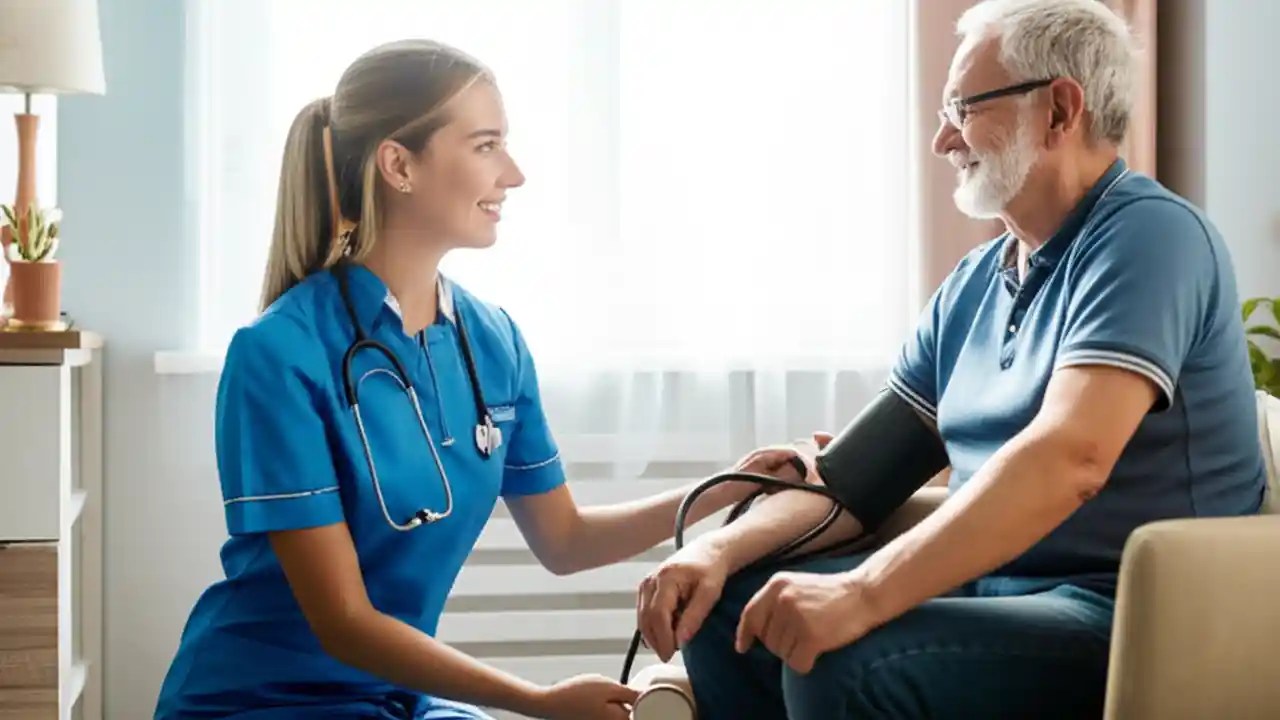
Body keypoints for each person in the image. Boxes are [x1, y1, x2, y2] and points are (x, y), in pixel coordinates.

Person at [635, 1, 1268, 718]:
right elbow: (855, 478)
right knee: (727, 615)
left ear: (1060, 110)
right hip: (995, 596)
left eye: (963, 109)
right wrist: (716, 554)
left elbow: (1072, 456)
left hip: (1128, 616)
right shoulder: (974, 283)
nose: (941, 139)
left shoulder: (1152, 237)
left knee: (837, 659)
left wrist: (862, 593)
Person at [154, 39, 792, 720]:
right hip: (257, 700)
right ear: (399, 165)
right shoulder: (279, 353)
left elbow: (566, 539)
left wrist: (731, 485)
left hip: (394, 699)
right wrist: (537, 701)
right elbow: (343, 620)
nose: (513, 174)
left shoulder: (493, 342)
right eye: (486, 146)